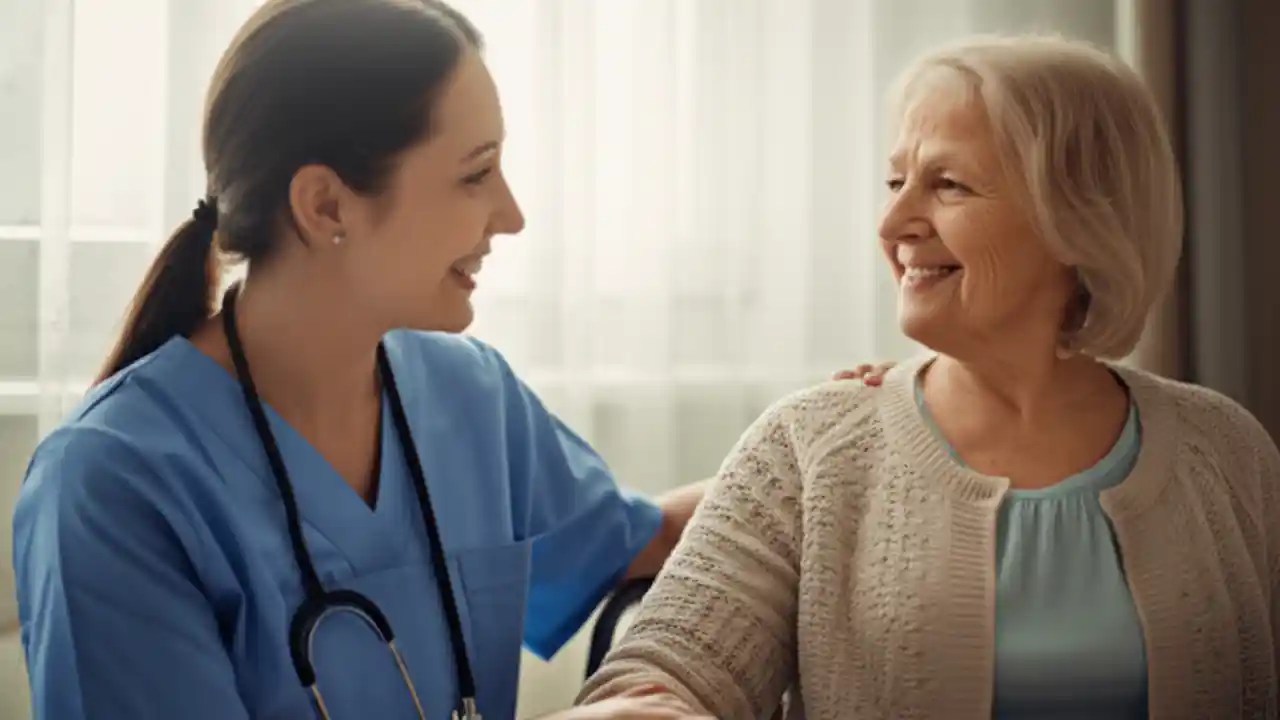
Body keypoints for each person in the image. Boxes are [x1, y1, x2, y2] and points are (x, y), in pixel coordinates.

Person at [9, 2, 885, 719]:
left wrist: (836, 440)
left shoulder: (468, 396)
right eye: (476, 174)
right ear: (325, 204)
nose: (510, 215)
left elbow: (638, 540)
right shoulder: (111, 484)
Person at [578, 34, 1280, 719]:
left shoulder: (1224, 448)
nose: (894, 221)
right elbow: (667, 668)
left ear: (1078, 218)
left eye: (948, 184)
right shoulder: (808, 444)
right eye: (895, 182)